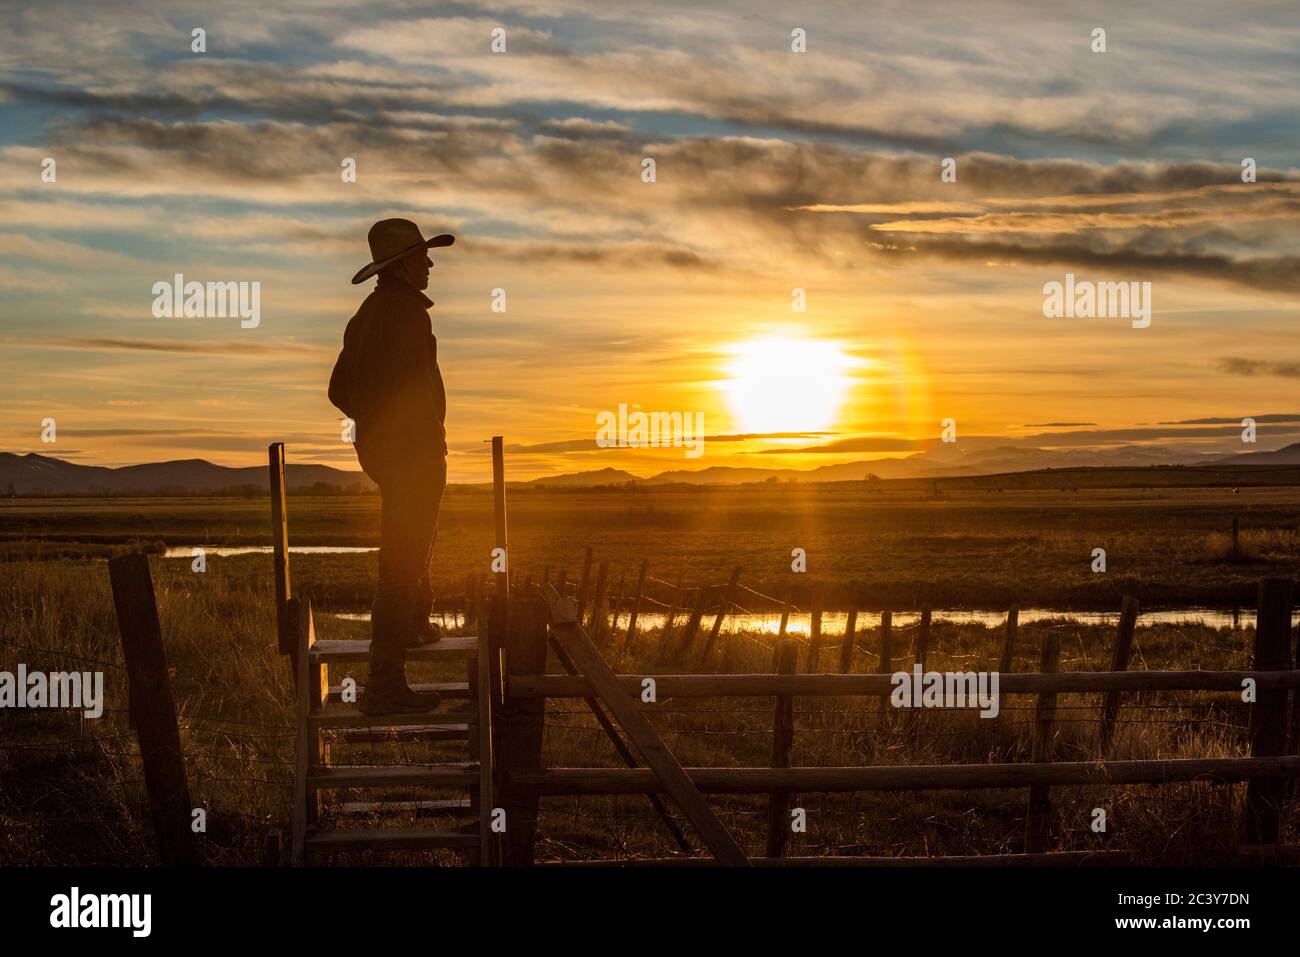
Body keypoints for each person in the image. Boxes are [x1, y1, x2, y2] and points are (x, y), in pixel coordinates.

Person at [328, 218, 455, 714]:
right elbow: (411, 396)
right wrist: (411, 440)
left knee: (411, 549)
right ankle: (383, 685)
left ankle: (418, 625)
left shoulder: (370, 313)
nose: (430, 263)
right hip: (413, 459)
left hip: (398, 457)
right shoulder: (404, 315)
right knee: (400, 566)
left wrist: (376, 434)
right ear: (404, 263)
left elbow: (341, 390)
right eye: (423, 256)